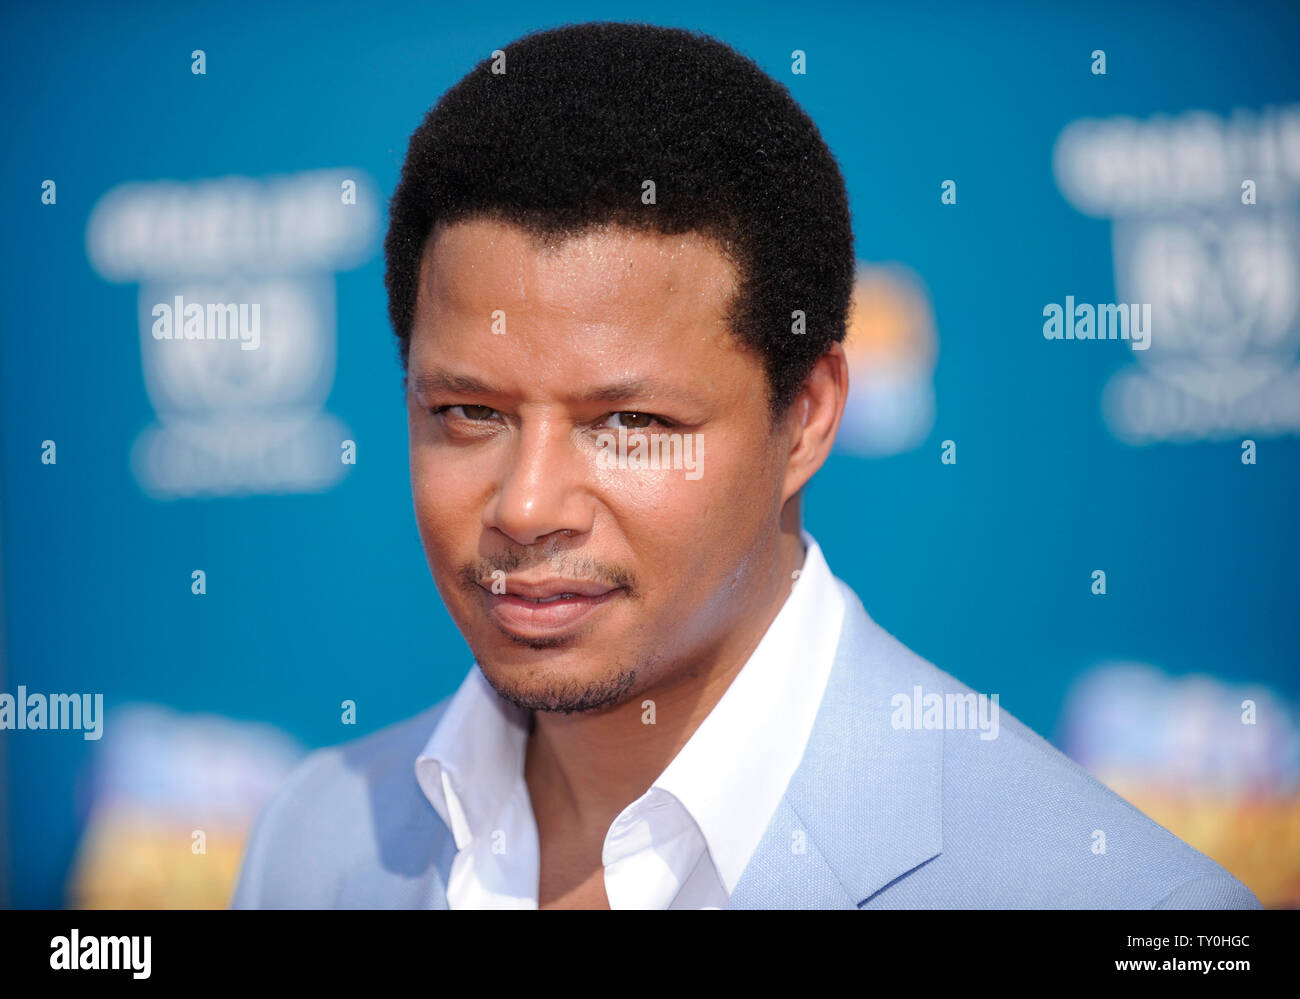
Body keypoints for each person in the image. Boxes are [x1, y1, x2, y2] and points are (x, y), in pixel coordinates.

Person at [231, 21, 1259, 909]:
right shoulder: (312, 842)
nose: (527, 503)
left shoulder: (1111, 898)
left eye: (628, 421)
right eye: (469, 411)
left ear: (805, 419)